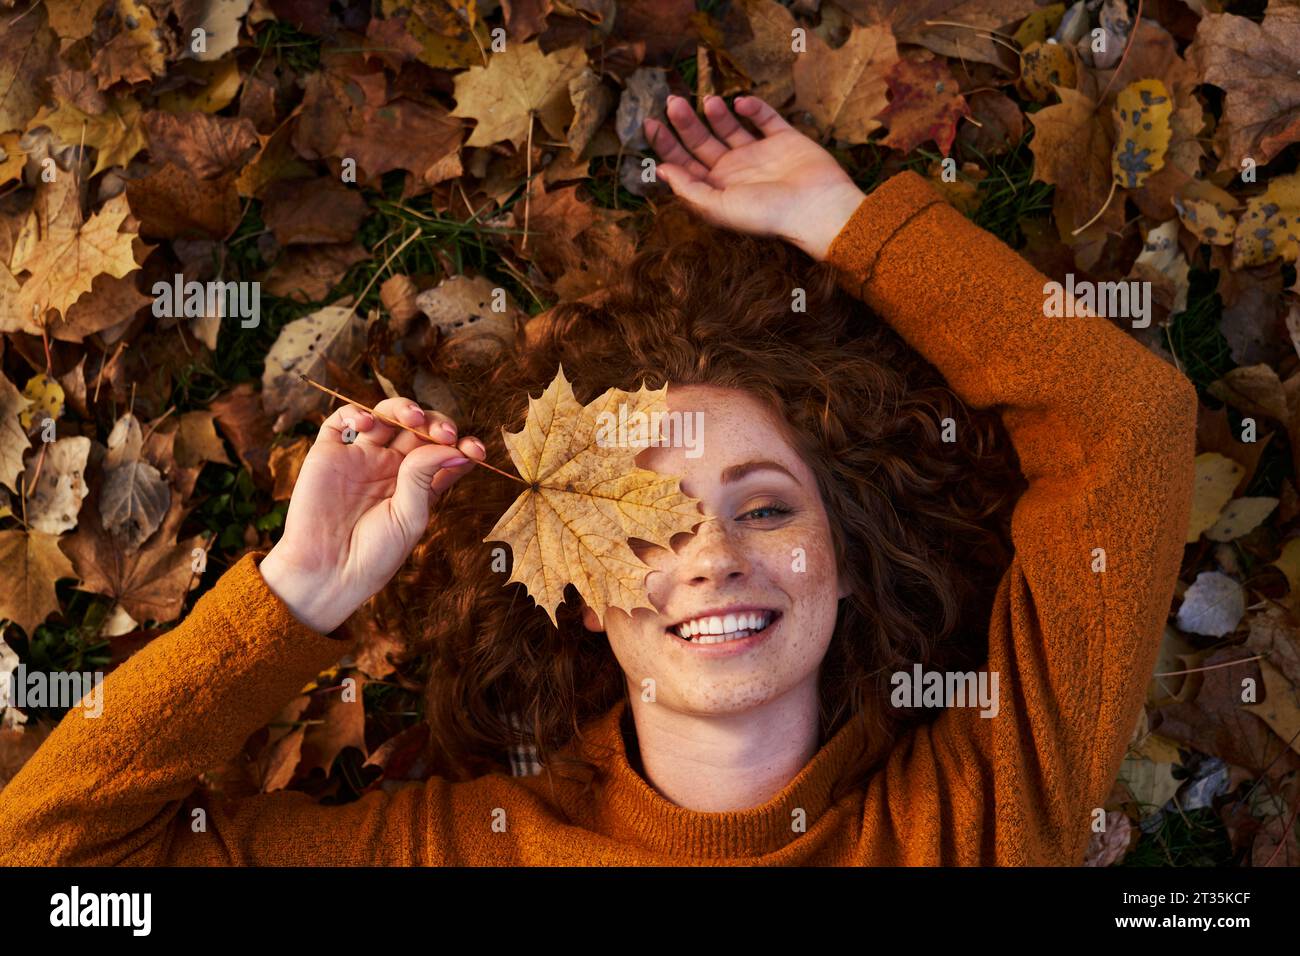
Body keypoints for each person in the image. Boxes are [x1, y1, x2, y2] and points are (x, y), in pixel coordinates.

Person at [0, 94, 1196, 865]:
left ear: (842, 558)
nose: (710, 553)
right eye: (643, 523)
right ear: (572, 591)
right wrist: (296, 597)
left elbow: (1130, 425)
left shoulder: (979, 813)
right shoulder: (460, 851)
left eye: (765, 503)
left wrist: (845, 222)